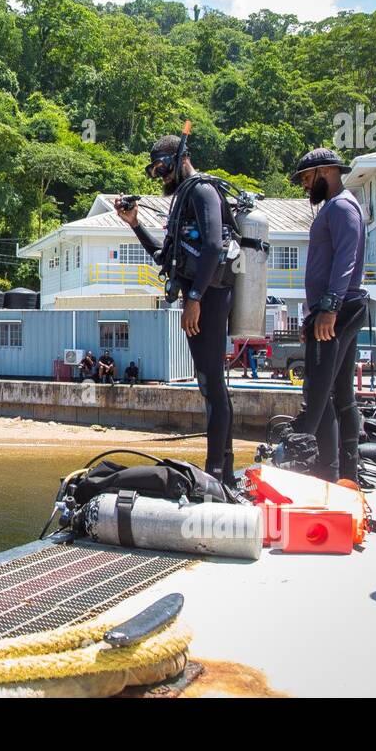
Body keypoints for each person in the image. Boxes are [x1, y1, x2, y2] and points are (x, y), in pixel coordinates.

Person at [114, 133, 236, 486]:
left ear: (181, 158)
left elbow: (214, 246)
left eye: (163, 168)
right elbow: (164, 258)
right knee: (210, 384)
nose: (160, 176)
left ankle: (217, 474)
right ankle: (222, 470)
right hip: (198, 298)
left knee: (212, 383)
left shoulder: (200, 190)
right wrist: (135, 224)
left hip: (209, 298)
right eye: (154, 171)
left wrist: (195, 298)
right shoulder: (182, 199)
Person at [285, 149, 369, 484]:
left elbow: (346, 259)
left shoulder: (341, 206)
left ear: (326, 172)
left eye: (307, 178)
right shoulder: (336, 206)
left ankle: (325, 477)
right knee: (341, 395)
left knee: (317, 396)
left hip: (339, 307)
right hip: (338, 308)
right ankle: (345, 475)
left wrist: (329, 308)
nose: (305, 186)